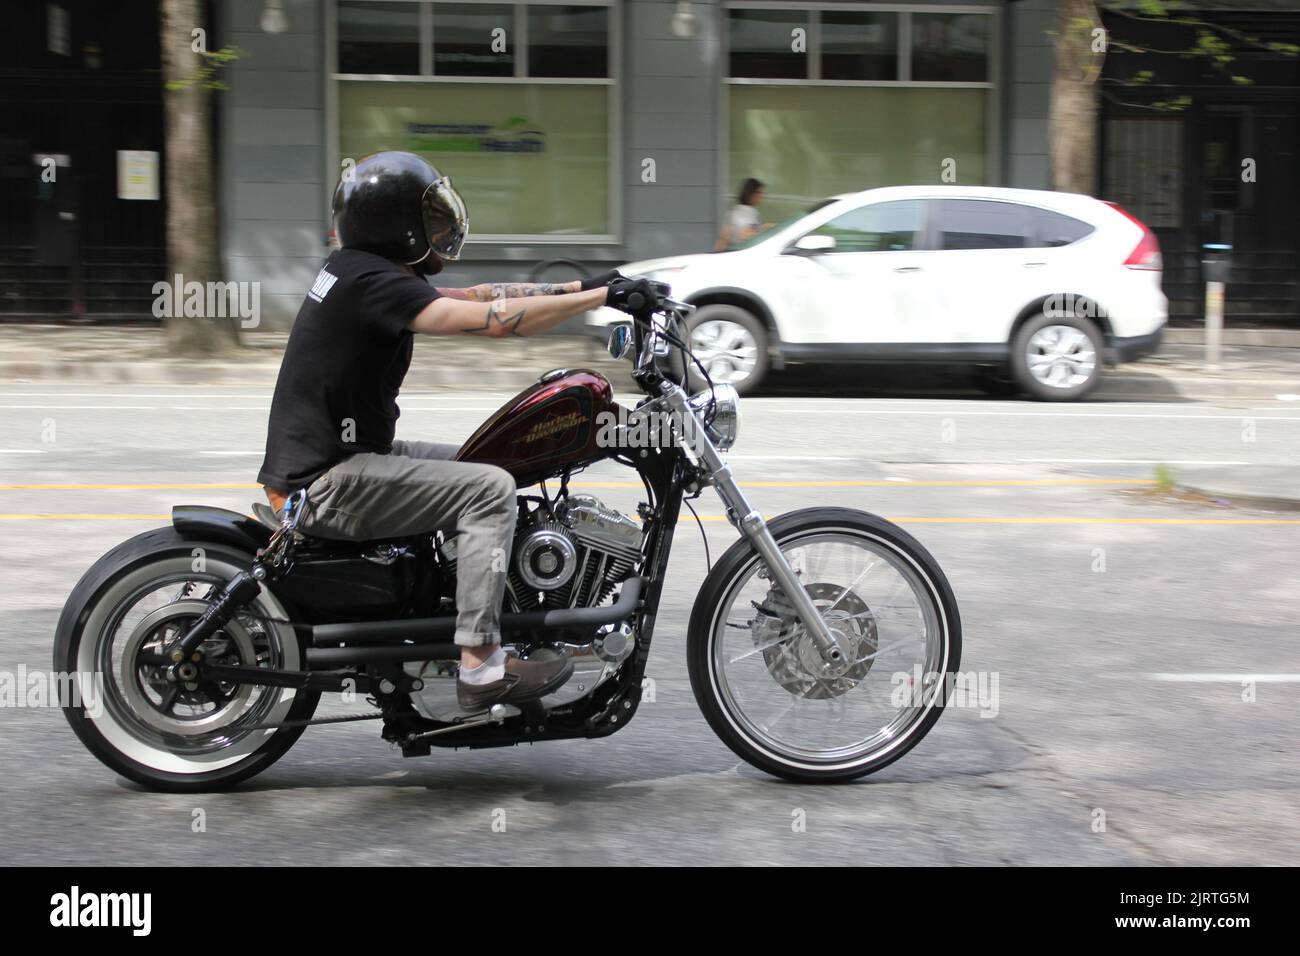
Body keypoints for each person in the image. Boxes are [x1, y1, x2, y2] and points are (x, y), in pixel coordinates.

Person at [257, 151, 652, 711]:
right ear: (396, 226)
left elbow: (481, 296)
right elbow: (488, 322)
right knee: (488, 489)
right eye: (430, 219)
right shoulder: (371, 280)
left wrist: (590, 285)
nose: (441, 229)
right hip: (323, 481)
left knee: (492, 465)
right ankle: (480, 663)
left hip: (342, 458)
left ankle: (461, 609)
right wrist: (602, 300)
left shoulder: (361, 270)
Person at [715, 177, 771, 251]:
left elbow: (724, 237)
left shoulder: (746, 211)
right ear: (750, 193)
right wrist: (765, 229)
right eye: (759, 192)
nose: (762, 195)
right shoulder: (741, 215)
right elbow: (746, 236)